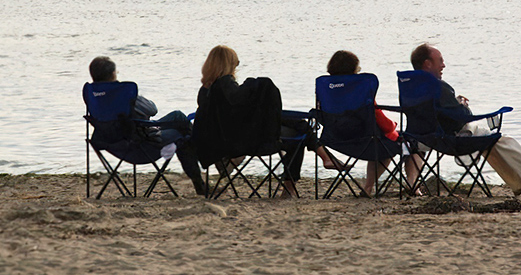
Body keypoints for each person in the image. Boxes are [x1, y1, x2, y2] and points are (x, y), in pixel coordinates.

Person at [406, 44, 521, 195]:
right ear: (427, 64)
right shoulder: (438, 86)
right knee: (500, 141)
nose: (443, 65)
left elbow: (433, 113)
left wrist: (453, 104)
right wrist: (462, 104)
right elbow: (460, 119)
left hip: (421, 138)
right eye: (440, 61)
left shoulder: (410, 86)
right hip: (451, 140)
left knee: (491, 142)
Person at [194, 45, 346, 198]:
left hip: (222, 143)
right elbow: (245, 115)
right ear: (228, 65)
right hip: (246, 141)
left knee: (298, 126)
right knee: (297, 135)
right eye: (236, 64)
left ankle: (324, 157)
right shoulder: (228, 88)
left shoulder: (205, 91)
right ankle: (292, 187)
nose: (236, 68)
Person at [88, 56, 206, 195]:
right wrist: (135, 98)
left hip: (114, 146)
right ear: (113, 74)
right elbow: (152, 109)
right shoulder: (124, 94)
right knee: (182, 130)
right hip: (142, 147)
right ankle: (202, 172)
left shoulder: (93, 96)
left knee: (178, 119)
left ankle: (200, 157)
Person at [325, 50, 400, 196]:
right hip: (365, 140)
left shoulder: (326, 89)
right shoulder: (359, 90)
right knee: (388, 142)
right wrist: (393, 126)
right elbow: (381, 121)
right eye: (358, 69)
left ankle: (368, 188)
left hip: (336, 139)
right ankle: (368, 187)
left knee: (379, 141)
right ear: (353, 71)